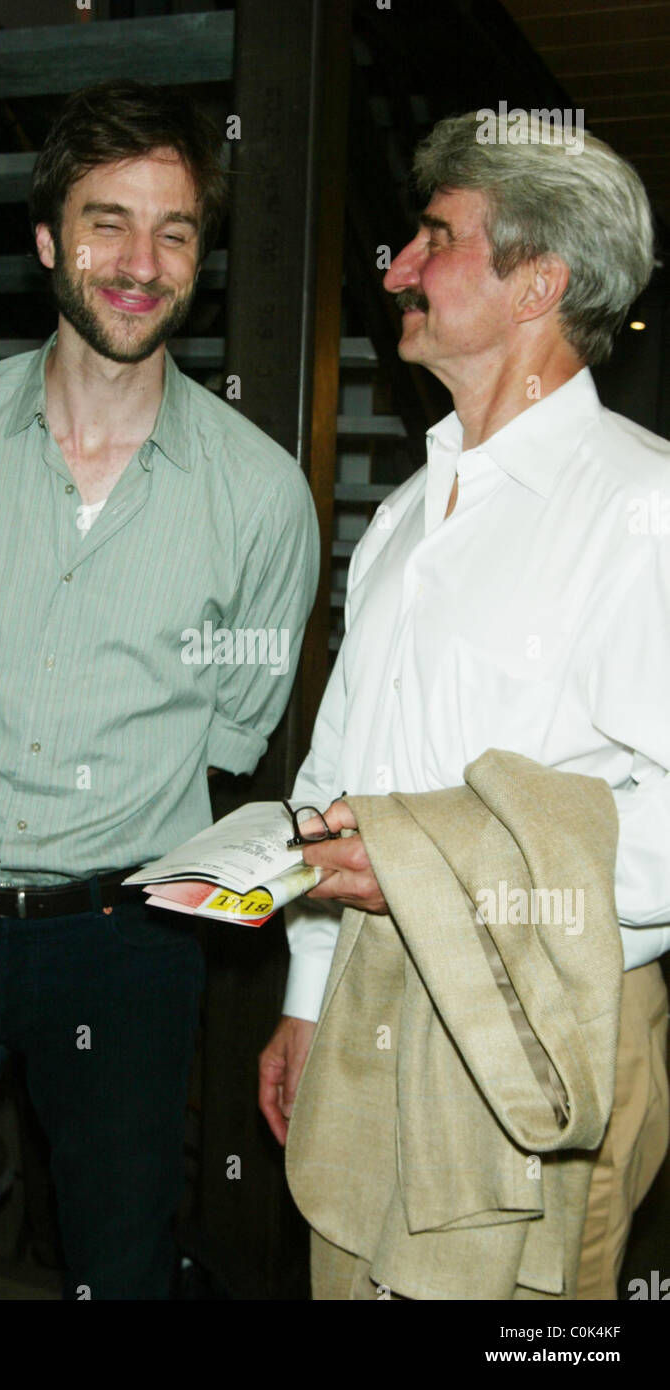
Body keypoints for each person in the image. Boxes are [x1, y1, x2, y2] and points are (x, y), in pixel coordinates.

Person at [0, 79, 319, 1300]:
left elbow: (222, 753)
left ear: (201, 254)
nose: (140, 263)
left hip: (126, 945)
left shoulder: (261, 499)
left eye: (176, 230)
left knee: (122, 1265)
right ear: (48, 241)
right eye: (108, 222)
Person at [260, 110, 670, 1299]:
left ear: (537, 283)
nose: (393, 267)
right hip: (367, 1005)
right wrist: (305, 993)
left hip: (543, 1023)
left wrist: (428, 875)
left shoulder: (641, 509)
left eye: (432, 237)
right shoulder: (399, 515)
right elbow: (335, 775)